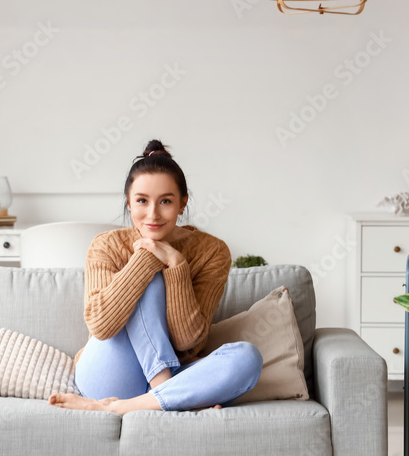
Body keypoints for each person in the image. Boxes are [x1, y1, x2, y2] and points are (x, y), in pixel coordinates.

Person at [48, 139, 263, 415]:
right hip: (110, 373)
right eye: (141, 201)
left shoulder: (212, 251)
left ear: (182, 203)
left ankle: (125, 407)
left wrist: (177, 265)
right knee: (149, 277)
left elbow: (188, 342)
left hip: (176, 372)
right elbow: (101, 327)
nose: (153, 214)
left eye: (165, 201)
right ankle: (168, 395)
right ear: (128, 202)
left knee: (247, 358)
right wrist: (146, 258)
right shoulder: (106, 245)